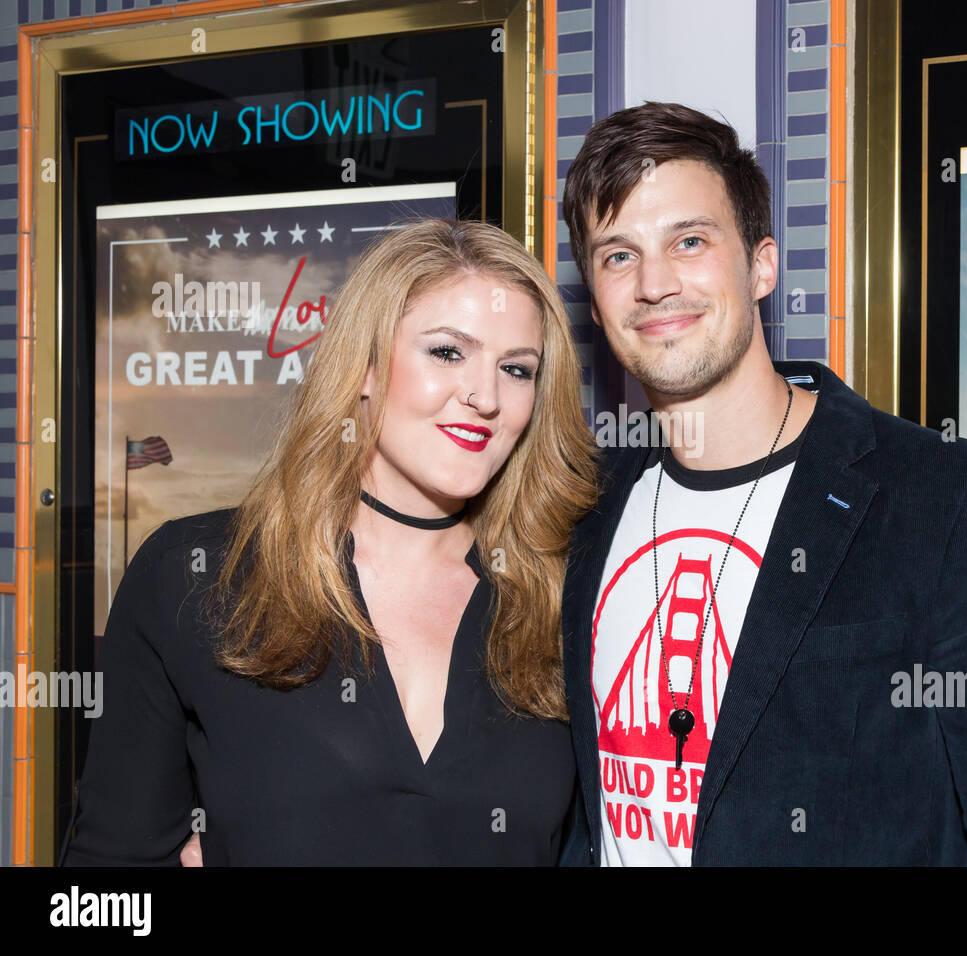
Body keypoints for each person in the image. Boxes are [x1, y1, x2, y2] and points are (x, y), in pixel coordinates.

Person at [557, 101, 967, 865]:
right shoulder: (582, 501)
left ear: (762, 265)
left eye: (689, 241)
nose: (654, 284)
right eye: (618, 255)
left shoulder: (946, 501)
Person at [61, 219, 599, 865]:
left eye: (516, 369)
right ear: (366, 367)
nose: (485, 396)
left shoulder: (566, 594)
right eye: (448, 352)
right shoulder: (196, 576)